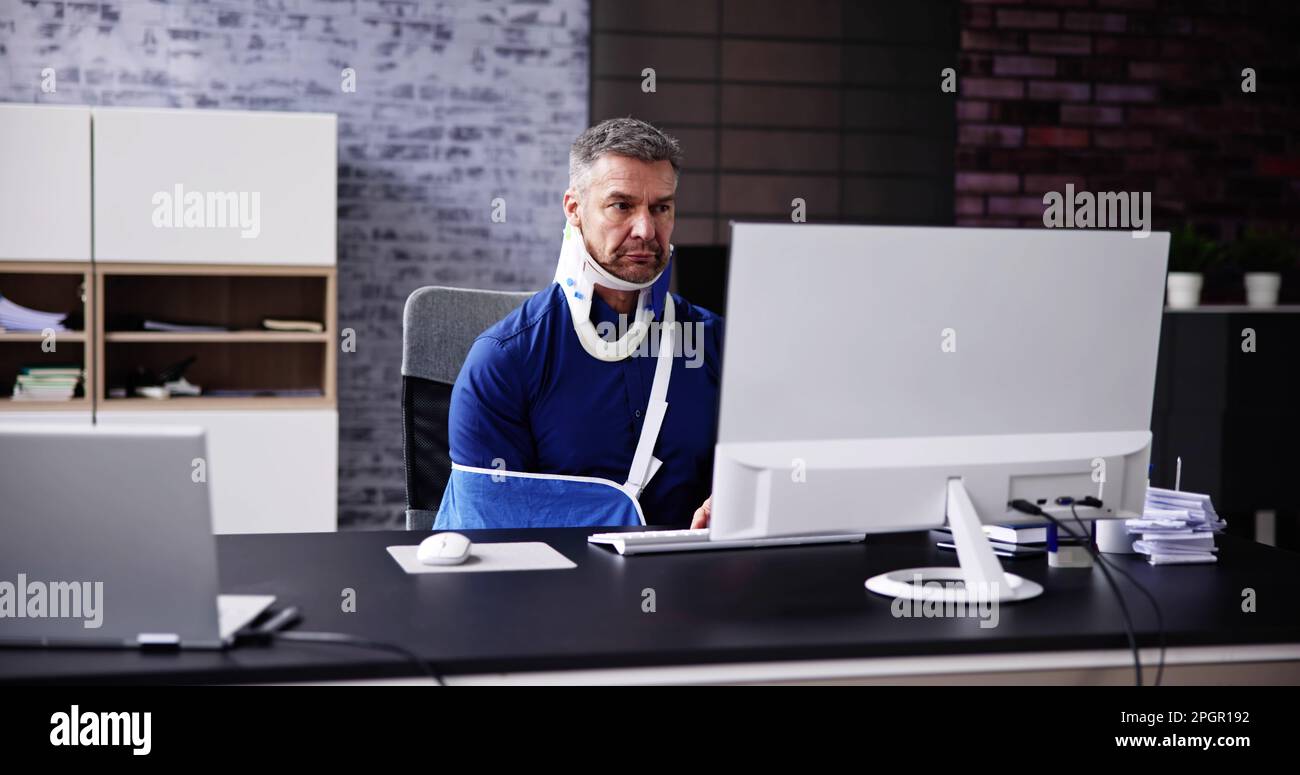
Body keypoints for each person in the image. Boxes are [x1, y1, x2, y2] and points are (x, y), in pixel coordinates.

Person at [434, 117, 723, 530]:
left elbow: (776, 470)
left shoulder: (716, 344)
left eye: (661, 207)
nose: (645, 229)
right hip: (563, 591)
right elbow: (490, 544)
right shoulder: (504, 361)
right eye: (621, 206)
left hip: (698, 586)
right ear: (574, 209)